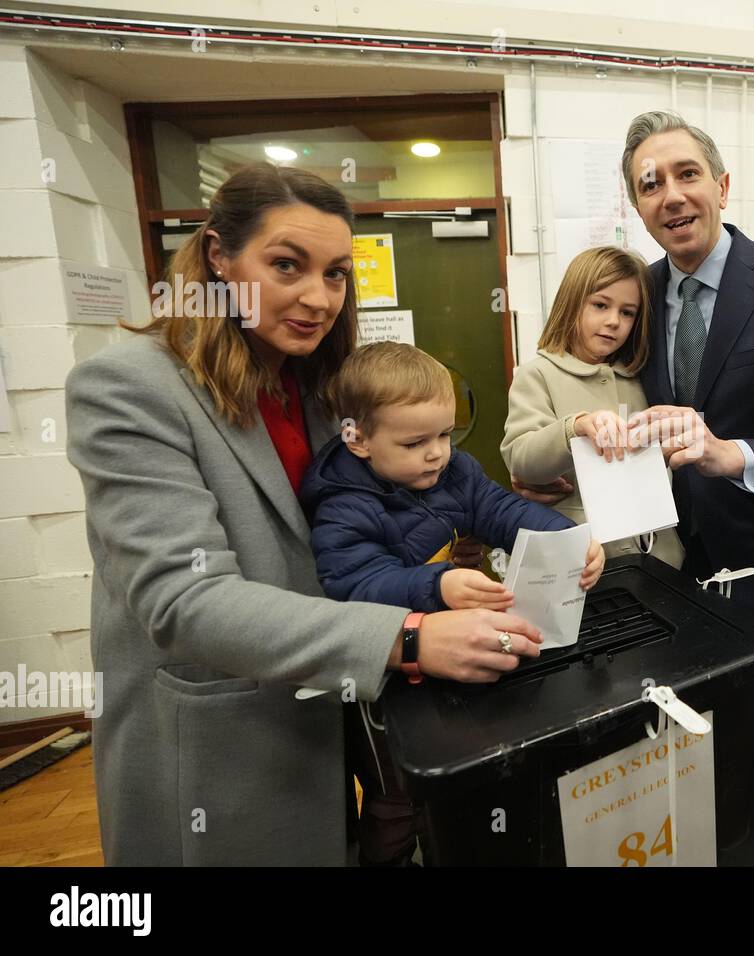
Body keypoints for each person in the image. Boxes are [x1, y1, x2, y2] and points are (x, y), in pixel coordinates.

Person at [65, 164, 542, 865]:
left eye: (337, 273)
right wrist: (408, 636)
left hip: (332, 713)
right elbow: (183, 601)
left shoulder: (320, 387)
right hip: (225, 739)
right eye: (287, 265)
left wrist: (438, 560)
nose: (317, 297)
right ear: (219, 256)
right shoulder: (130, 387)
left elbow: (357, 529)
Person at [521, 111, 754, 814]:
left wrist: (731, 455)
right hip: (663, 565)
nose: (670, 194)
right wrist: (555, 471)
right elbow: (586, 397)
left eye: (686, 174)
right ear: (637, 207)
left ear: (722, 186)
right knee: (670, 743)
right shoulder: (632, 294)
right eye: (650, 183)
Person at [301, 340, 604, 865]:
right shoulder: (342, 506)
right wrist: (436, 586)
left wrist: (568, 538)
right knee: (396, 800)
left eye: (444, 433)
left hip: (451, 668)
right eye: (415, 441)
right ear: (358, 440)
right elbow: (351, 586)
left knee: (463, 779)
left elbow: (502, 510)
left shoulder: (454, 470)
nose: (437, 452)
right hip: (384, 690)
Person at [501, 245, 683, 567]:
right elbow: (521, 459)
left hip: (656, 559)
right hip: (580, 565)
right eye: (600, 305)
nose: (613, 321)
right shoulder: (538, 374)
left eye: (628, 312)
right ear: (572, 304)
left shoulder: (641, 377)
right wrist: (574, 428)